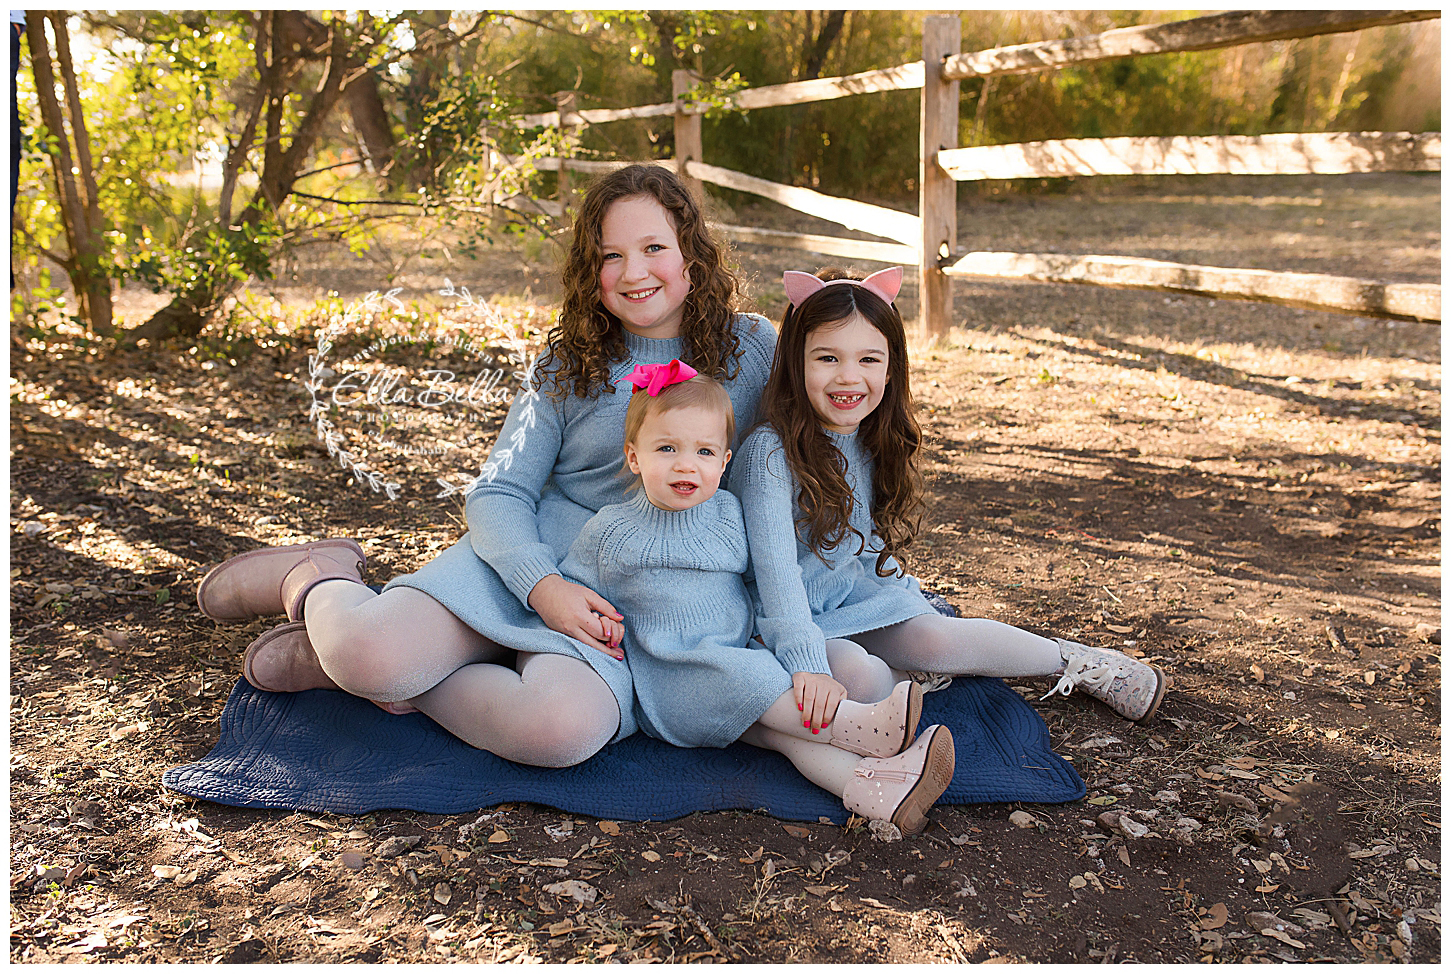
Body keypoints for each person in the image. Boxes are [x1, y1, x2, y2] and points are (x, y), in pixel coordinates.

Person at [194, 164, 795, 768]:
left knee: (559, 732)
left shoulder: (749, 347)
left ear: (691, 254)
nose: (634, 272)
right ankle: (319, 581)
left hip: (649, 610)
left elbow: (795, 460)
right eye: (611, 255)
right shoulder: (567, 365)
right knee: (367, 652)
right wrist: (545, 586)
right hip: (539, 563)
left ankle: (398, 680)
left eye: (654, 248)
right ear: (592, 270)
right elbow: (499, 491)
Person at [730, 267, 1168, 723]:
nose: (848, 378)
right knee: (858, 677)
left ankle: (1077, 662)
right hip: (780, 622)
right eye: (827, 358)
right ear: (795, 361)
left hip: (848, 596)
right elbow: (776, 578)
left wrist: (904, 599)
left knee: (935, 640)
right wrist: (806, 664)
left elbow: (861, 538)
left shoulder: (864, 436)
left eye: (868, 360)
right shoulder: (769, 454)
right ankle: (905, 683)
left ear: (891, 365)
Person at [560, 361, 955, 834]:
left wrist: (776, 635)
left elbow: (763, 583)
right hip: (674, 681)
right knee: (760, 680)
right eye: (667, 448)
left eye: (704, 451)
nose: (687, 464)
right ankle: (863, 727)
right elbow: (574, 592)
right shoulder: (611, 531)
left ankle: (879, 793)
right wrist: (593, 621)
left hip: (735, 657)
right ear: (634, 456)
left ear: (725, 462)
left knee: (789, 736)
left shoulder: (727, 513)